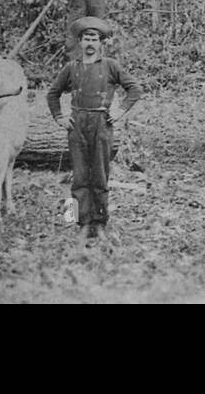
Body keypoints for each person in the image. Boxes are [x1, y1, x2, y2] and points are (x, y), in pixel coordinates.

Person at [47, 17, 143, 248]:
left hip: (101, 123)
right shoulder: (71, 67)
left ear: (101, 43)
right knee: (79, 176)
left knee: (99, 176)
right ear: (79, 42)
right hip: (77, 123)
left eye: (95, 39)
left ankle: (99, 225)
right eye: (86, 38)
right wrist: (60, 117)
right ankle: (79, 224)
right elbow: (52, 94)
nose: (90, 42)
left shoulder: (110, 65)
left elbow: (135, 89)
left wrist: (119, 111)